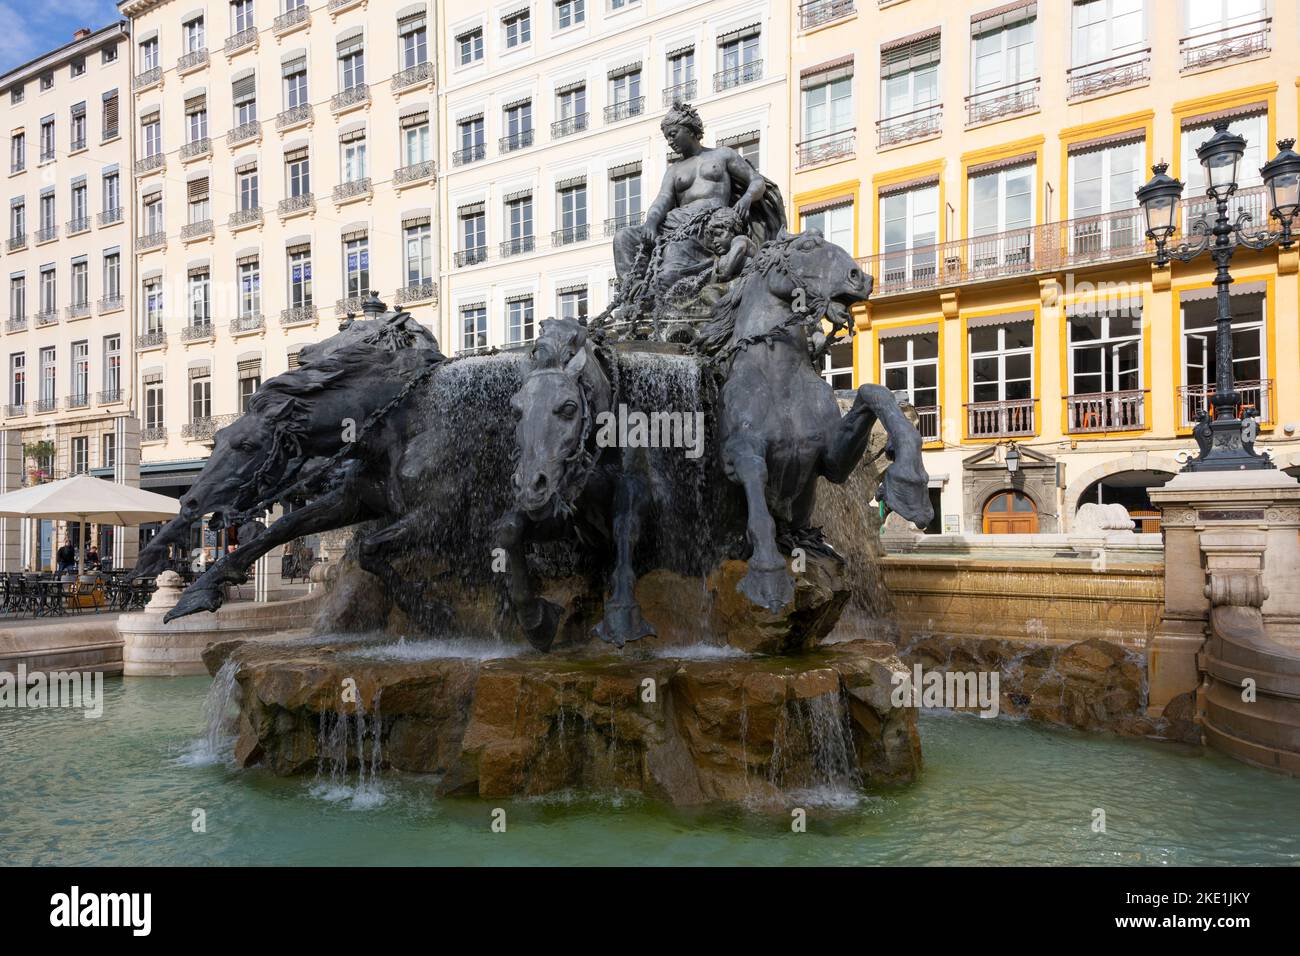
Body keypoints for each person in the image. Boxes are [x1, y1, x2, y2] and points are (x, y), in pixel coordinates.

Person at [609, 103, 784, 322]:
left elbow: (756, 181)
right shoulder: (673, 171)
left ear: (689, 129)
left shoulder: (722, 155)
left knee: (671, 259)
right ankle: (634, 296)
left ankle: (666, 308)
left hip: (708, 224)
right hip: (675, 222)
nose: (670, 141)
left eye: (673, 134)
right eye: (667, 138)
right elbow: (662, 200)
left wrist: (747, 198)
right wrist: (651, 223)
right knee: (623, 238)